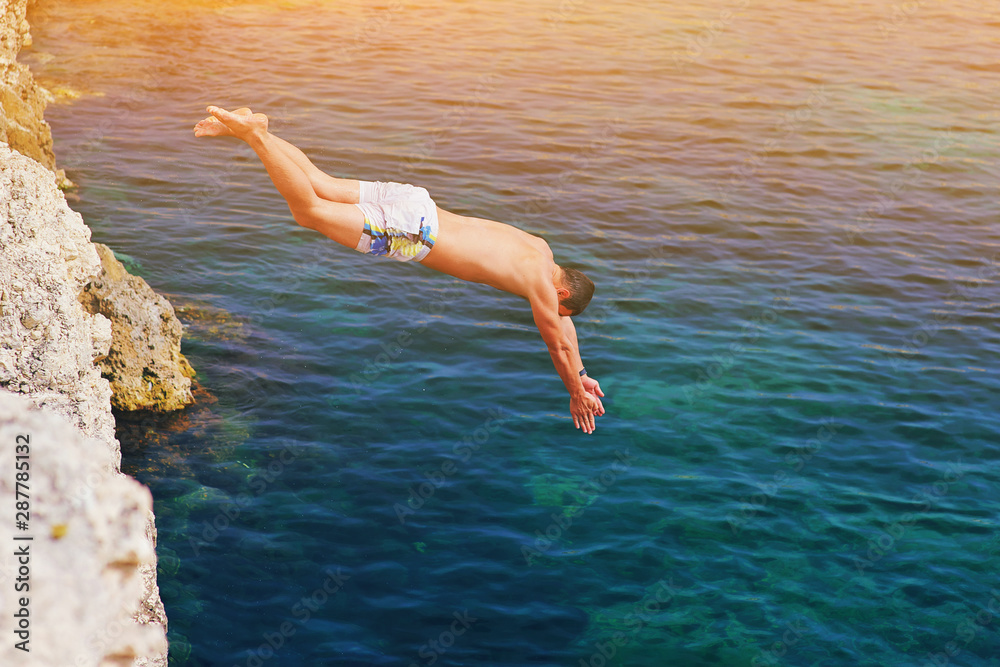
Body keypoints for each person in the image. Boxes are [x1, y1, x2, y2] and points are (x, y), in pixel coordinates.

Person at [194, 106, 605, 433]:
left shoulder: (541, 252)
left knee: (322, 182)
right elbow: (558, 344)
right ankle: (254, 136)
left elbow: (566, 333)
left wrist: (583, 373)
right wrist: (574, 392)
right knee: (310, 211)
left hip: (419, 204)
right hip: (416, 233)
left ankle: (254, 128)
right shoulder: (538, 283)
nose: (554, 312)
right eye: (560, 307)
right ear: (561, 294)